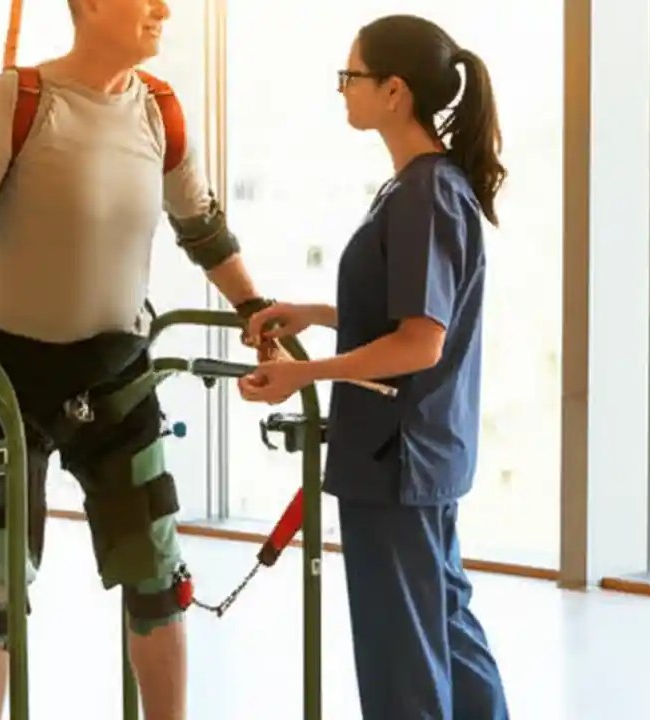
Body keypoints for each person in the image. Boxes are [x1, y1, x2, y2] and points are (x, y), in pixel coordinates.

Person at [0, 1, 267, 718]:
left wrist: (252, 310)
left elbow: (200, 226)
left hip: (115, 377)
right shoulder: (20, 99)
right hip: (1, 379)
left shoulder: (159, 110)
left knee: (158, 581)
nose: (161, 9)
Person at [237, 14, 511, 720]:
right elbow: (404, 315)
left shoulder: (425, 193)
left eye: (350, 76)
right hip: (416, 454)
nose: (341, 91)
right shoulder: (423, 187)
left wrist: (304, 374)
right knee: (445, 631)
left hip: (398, 460)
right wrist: (315, 312)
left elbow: (420, 342)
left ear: (395, 91)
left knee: (403, 658)